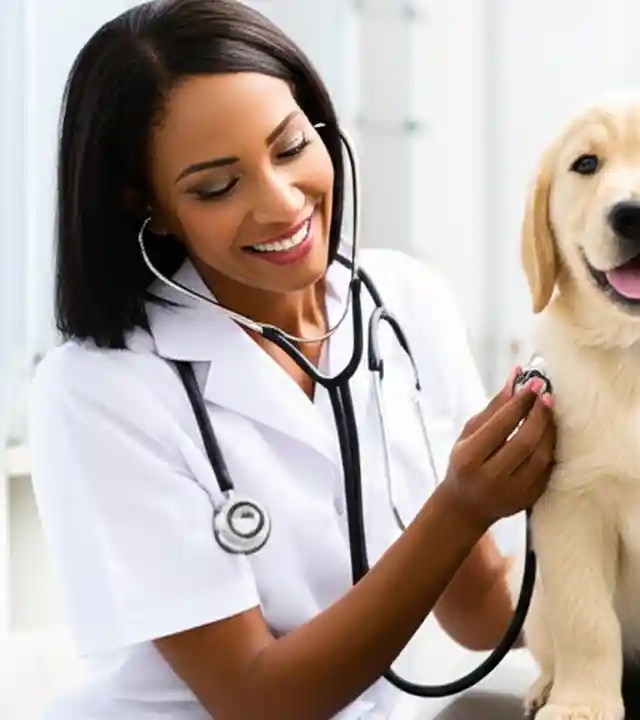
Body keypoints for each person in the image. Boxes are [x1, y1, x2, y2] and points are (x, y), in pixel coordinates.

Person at [26, 1, 556, 718]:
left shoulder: (403, 302)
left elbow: (479, 609)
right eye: (217, 186)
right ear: (147, 206)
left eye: (290, 147)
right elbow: (256, 699)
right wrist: (462, 506)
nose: (281, 205)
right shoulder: (99, 387)